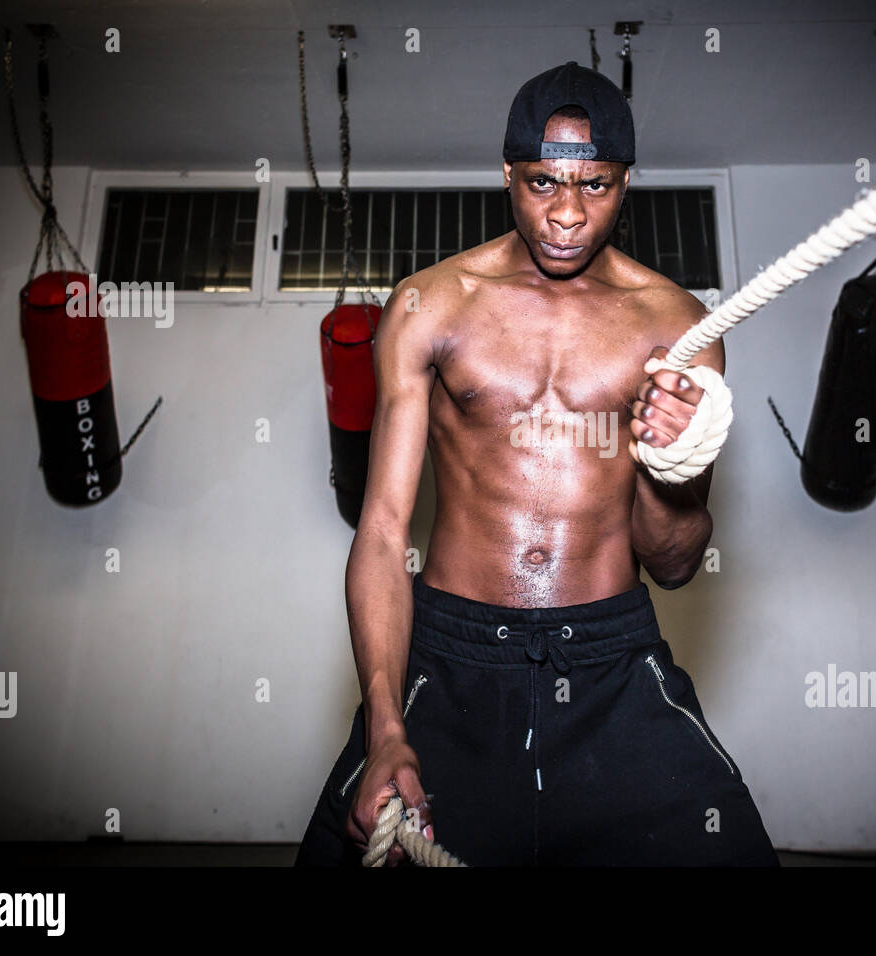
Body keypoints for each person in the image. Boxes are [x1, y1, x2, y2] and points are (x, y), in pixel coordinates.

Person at [295, 61, 777, 866]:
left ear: (627, 181)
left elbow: (676, 561)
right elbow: (382, 530)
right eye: (542, 182)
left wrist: (673, 463)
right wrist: (385, 727)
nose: (566, 213)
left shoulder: (677, 324)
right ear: (507, 174)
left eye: (596, 186)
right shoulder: (429, 305)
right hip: (449, 657)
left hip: (610, 657)